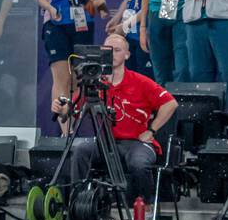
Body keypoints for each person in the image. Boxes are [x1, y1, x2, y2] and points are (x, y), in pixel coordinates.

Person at [54, 32, 178, 207]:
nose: (111, 54)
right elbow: (72, 109)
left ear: (127, 55)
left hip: (137, 143)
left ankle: (145, 207)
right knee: (81, 150)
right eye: (107, 50)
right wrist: (61, 109)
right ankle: (78, 204)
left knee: (138, 163)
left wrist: (152, 130)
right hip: (106, 143)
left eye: (117, 50)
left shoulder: (140, 81)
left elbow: (171, 104)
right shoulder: (94, 82)